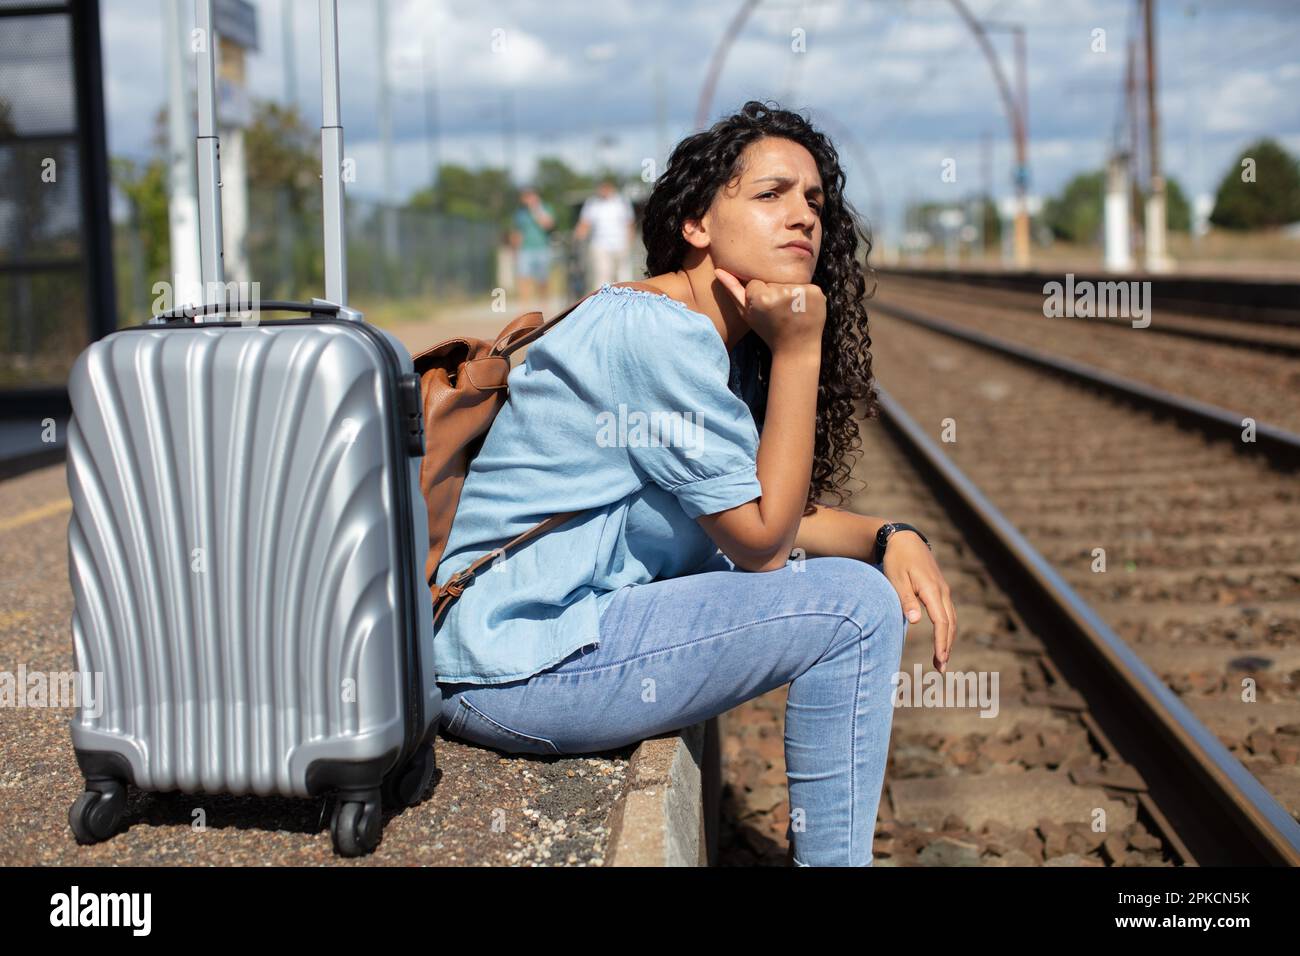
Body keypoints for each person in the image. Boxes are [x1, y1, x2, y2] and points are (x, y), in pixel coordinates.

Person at [431, 100, 957, 866]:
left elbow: (757, 506)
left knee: (857, 582)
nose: (803, 217)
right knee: (854, 611)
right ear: (697, 226)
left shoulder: (715, 338)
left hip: (554, 641)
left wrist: (887, 535)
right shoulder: (657, 334)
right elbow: (761, 544)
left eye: (814, 201)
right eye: (770, 194)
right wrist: (802, 351)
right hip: (512, 662)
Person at [574, 177, 636, 287]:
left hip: (621, 245)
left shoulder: (622, 201)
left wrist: (629, 244)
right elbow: (584, 224)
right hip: (600, 246)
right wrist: (577, 238)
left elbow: (629, 224)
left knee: (623, 277)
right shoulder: (592, 203)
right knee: (603, 277)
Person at [510, 186, 555, 304]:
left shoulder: (546, 208)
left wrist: (535, 210)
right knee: (523, 278)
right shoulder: (520, 213)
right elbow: (518, 232)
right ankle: (524, 307)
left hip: (542, 248)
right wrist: (515, 251)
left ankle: (544, 304)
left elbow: (548, 225)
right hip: (525, 250)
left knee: (543, 279)